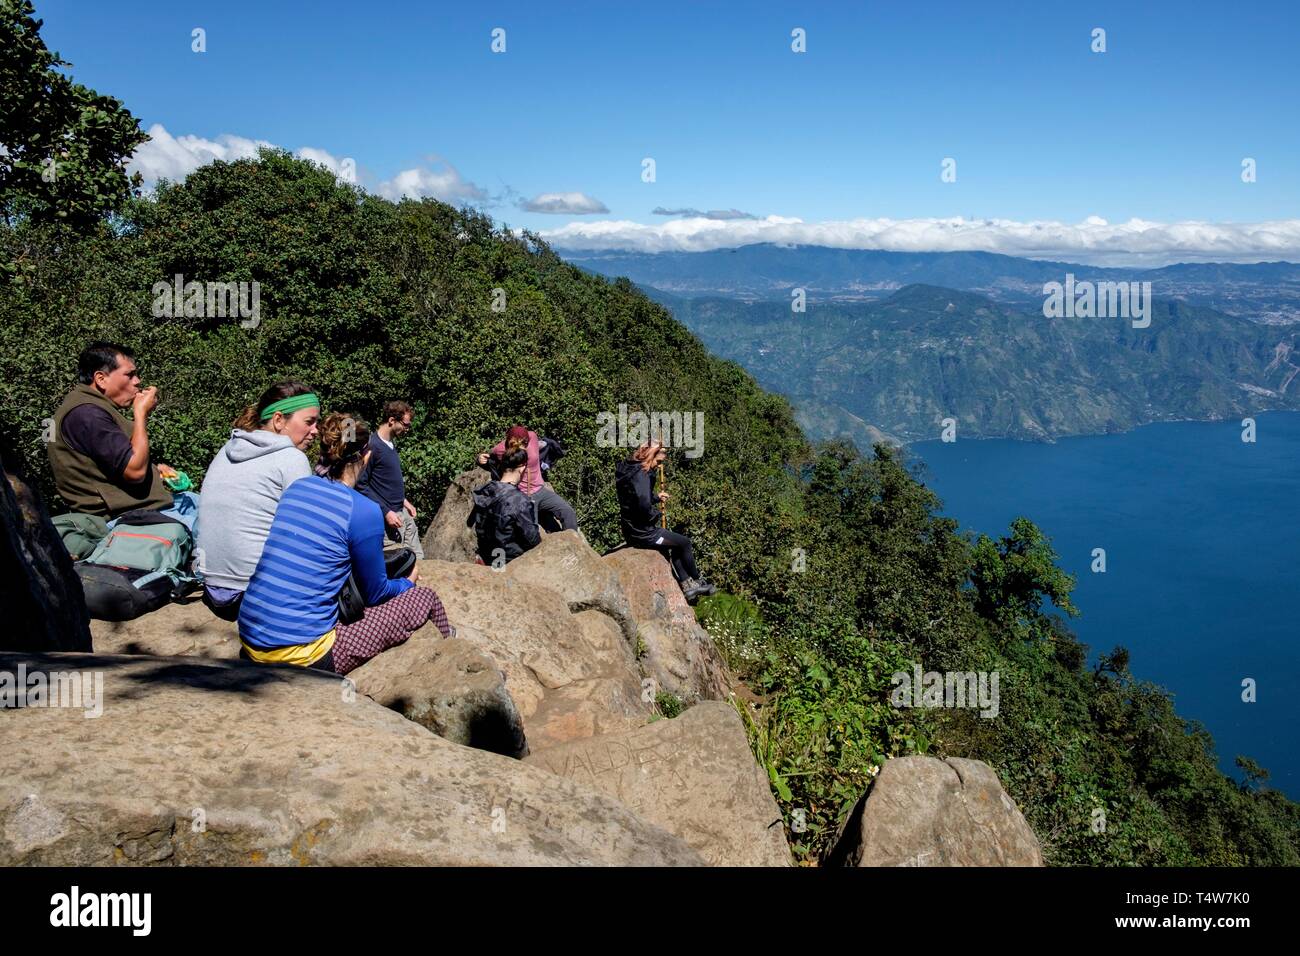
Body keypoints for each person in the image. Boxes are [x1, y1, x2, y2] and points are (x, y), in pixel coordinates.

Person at [237, 412, 452, 675]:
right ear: (367, 456)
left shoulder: (297, 489)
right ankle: (452, 657)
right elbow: (377, 593)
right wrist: (408, 582)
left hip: (249, 638)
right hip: (302, 654)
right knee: (424, 597)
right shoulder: (363, 510)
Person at [195, 383, 320, 621]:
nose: (316, 430)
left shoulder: (227, 449)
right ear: (279, 420)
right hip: (257, 594)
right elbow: (306, 535)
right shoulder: (292, 458)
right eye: (309, 422)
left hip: (212, 588)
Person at [47, 342, 173, 520]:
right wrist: (140, 414)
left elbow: (108, 465)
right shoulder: (87, 414)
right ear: (101, 379)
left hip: (140, 511)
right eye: (129, 375)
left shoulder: (91, 408)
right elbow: (134, 472)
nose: (137, 381)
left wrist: (154, 471)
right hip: (128, 519)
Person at [615, 440, 717, 604]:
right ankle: (697, 581)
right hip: (643, 533)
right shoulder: (641, 474)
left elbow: (633, 496)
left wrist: (656, 497)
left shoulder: (631, 469)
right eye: (661, 455)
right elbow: (642, 502)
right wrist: (653, 514)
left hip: (631, 528)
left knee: (674, 544)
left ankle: (687, 586)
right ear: (651, 454)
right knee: (685, 543)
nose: (662, 459)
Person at [475, 425, 577, 533]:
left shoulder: (532, 436)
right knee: (533, 531)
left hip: (540, 491)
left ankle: (574, 545)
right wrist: (479, 459)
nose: (522, 447)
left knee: (567, 512)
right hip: (521, 497)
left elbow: (542, 447)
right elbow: (488, 458)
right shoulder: (500, 449)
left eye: (524, 443)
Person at [356, 400, 423, 558]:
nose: (407, 429)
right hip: (388, 520)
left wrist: (405, 502)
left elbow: (385, 481)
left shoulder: (390, 444)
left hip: (403, 514)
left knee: (419, 560)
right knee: (397, 566)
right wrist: (386, 512)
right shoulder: (372, 446)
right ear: (392, 421)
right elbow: (361, 485)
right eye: (406, 425)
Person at [468, 438, 541, 567]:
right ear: (521, 469)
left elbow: (472, 524)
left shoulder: (485, 490)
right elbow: (533, 539)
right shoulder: (519, 501)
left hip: (486, 555)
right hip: (508, 561)